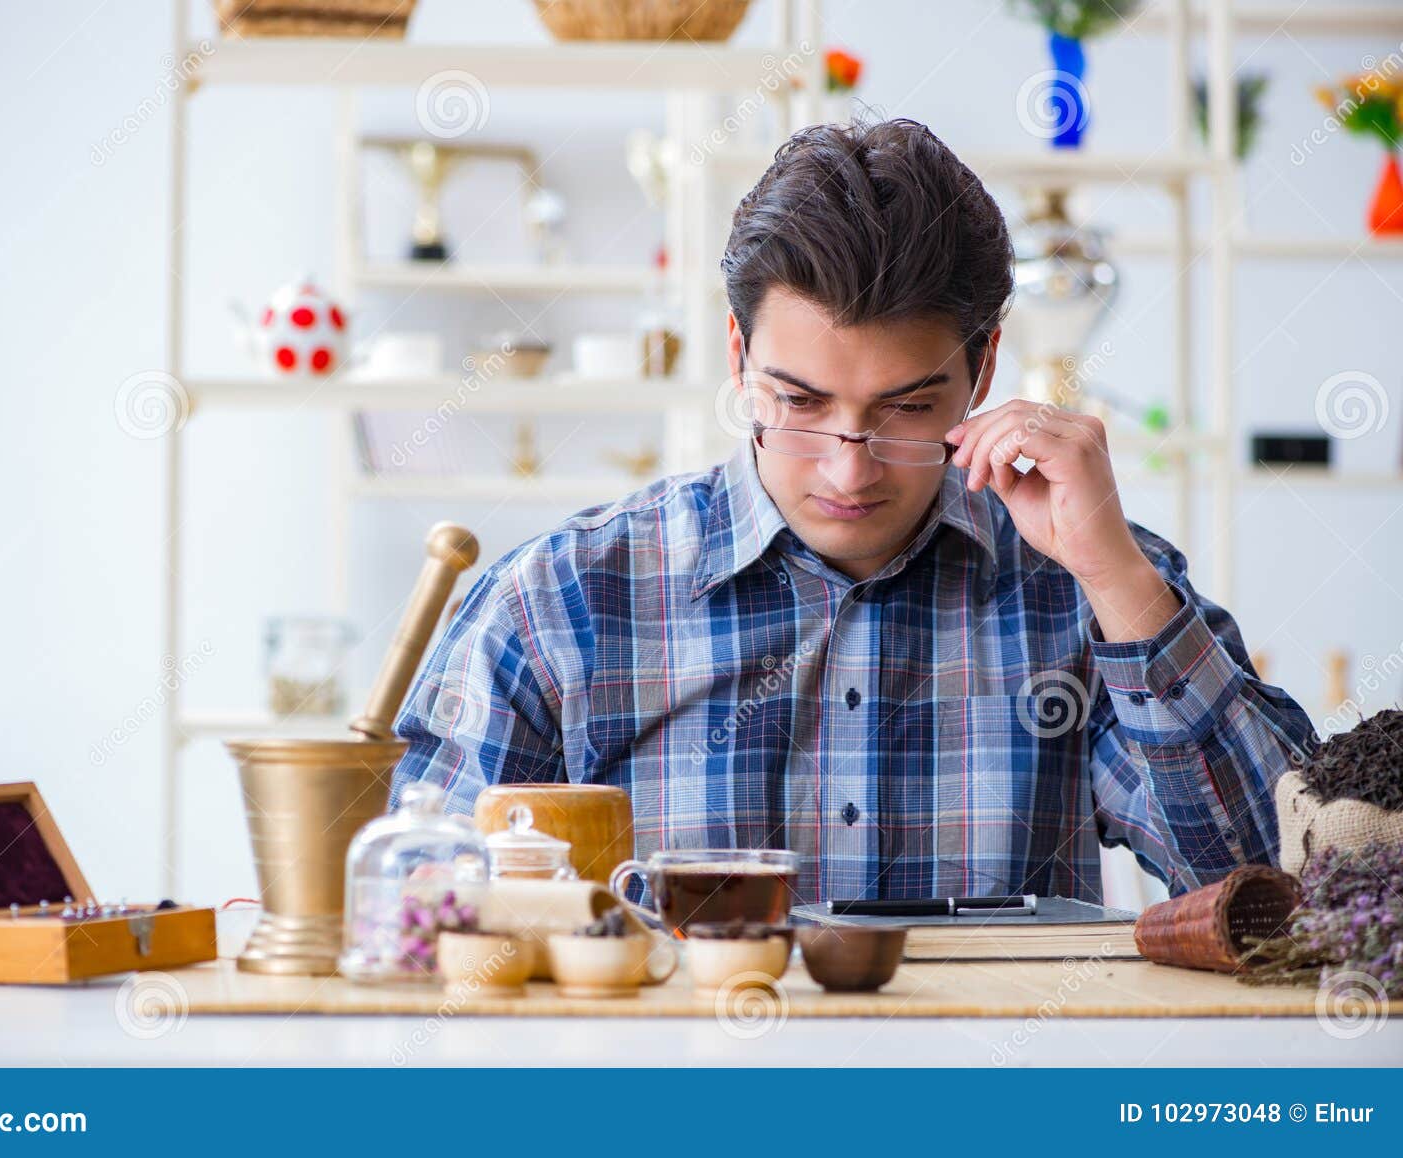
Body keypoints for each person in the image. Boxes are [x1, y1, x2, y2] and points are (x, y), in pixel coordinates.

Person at [387, 117, 1314, 905]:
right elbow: (422, 917)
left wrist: (1115, 574)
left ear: (984, 370)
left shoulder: (1081, 587)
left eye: (907, 408)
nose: (847, 467)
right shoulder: (564, 600)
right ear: (741, 359)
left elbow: (1278, 891)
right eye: (799, 402)